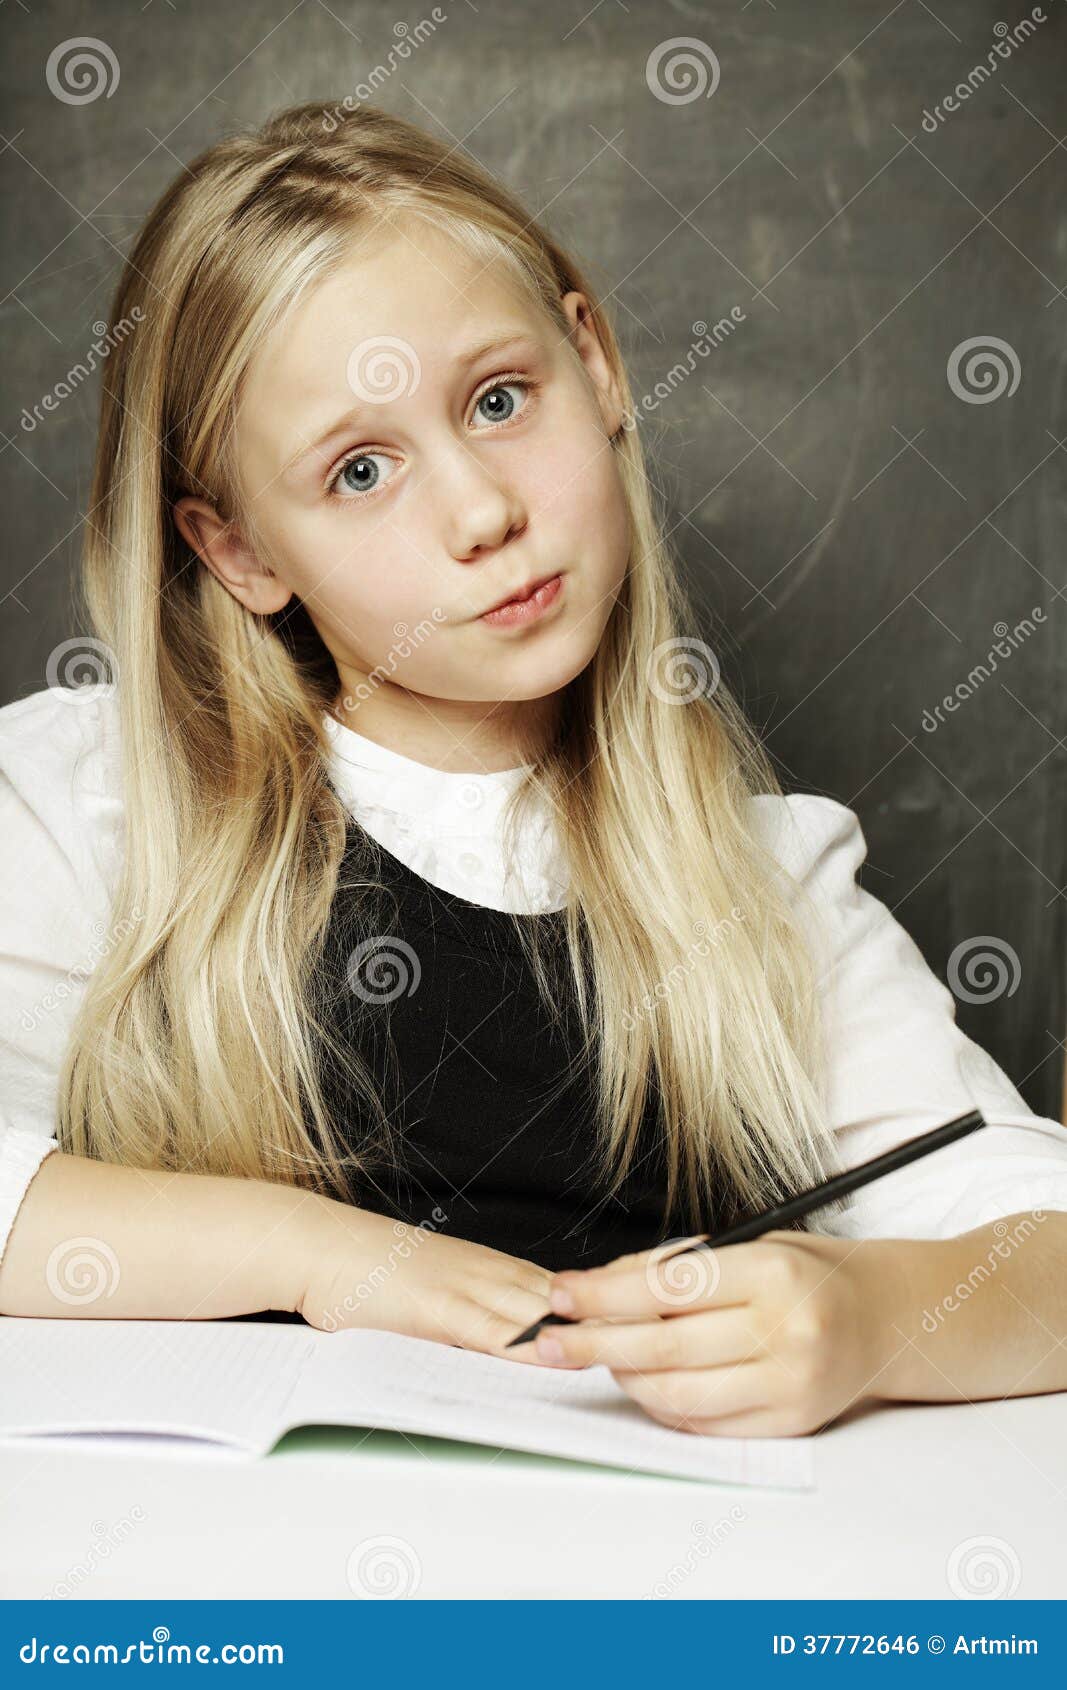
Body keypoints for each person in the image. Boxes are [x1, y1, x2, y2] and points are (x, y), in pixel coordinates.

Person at [2, 102, 1066, 1441]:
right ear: (241, 552)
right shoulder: (98, 801)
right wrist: (318, 1255)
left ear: (596, 363)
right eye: (362, 470)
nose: (482, 512)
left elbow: (1042, 1245)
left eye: (500, 401)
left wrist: (868, 1315)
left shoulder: (770, 886)